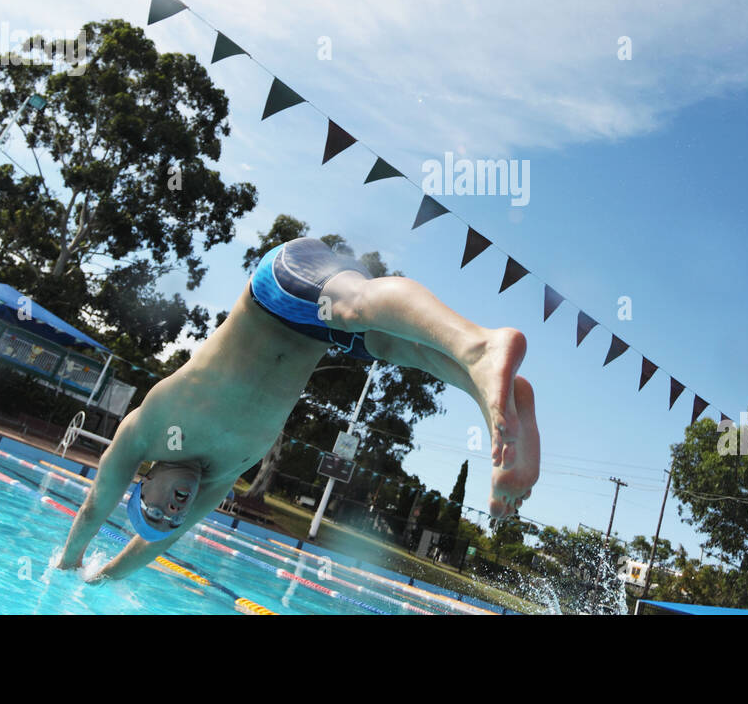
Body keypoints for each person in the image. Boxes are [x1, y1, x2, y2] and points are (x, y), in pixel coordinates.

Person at [57, 237, 540, 580]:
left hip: (279, 290)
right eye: (172, 518)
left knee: (358, 306)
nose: (172, 513)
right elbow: (161, 542)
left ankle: (479, 346)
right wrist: (107, 579)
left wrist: (70, 562)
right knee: (405, 348)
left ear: (144, 481)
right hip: (317, 330)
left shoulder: (147, 430)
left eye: (155, 509)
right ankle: (501, 405)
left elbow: (97, 503)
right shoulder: (224, 474)